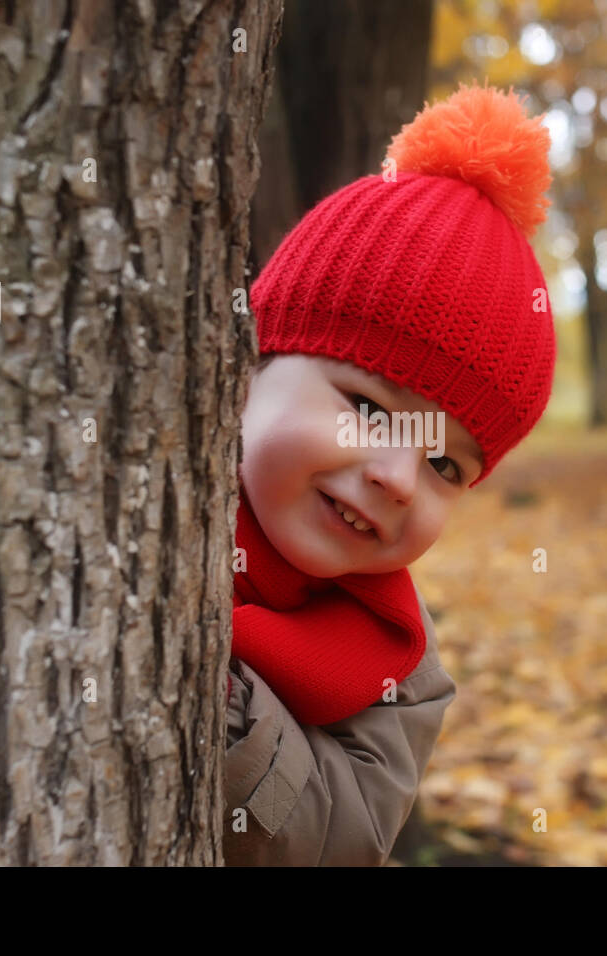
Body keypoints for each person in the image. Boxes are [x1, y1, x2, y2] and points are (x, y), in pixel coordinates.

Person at [223, 82, 558, 865]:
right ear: (247, 366)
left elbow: (344, 840)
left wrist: (219, 703)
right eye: (370, 410)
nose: (401, 480)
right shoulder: (132, 509)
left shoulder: (399, 666)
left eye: (445, 463)